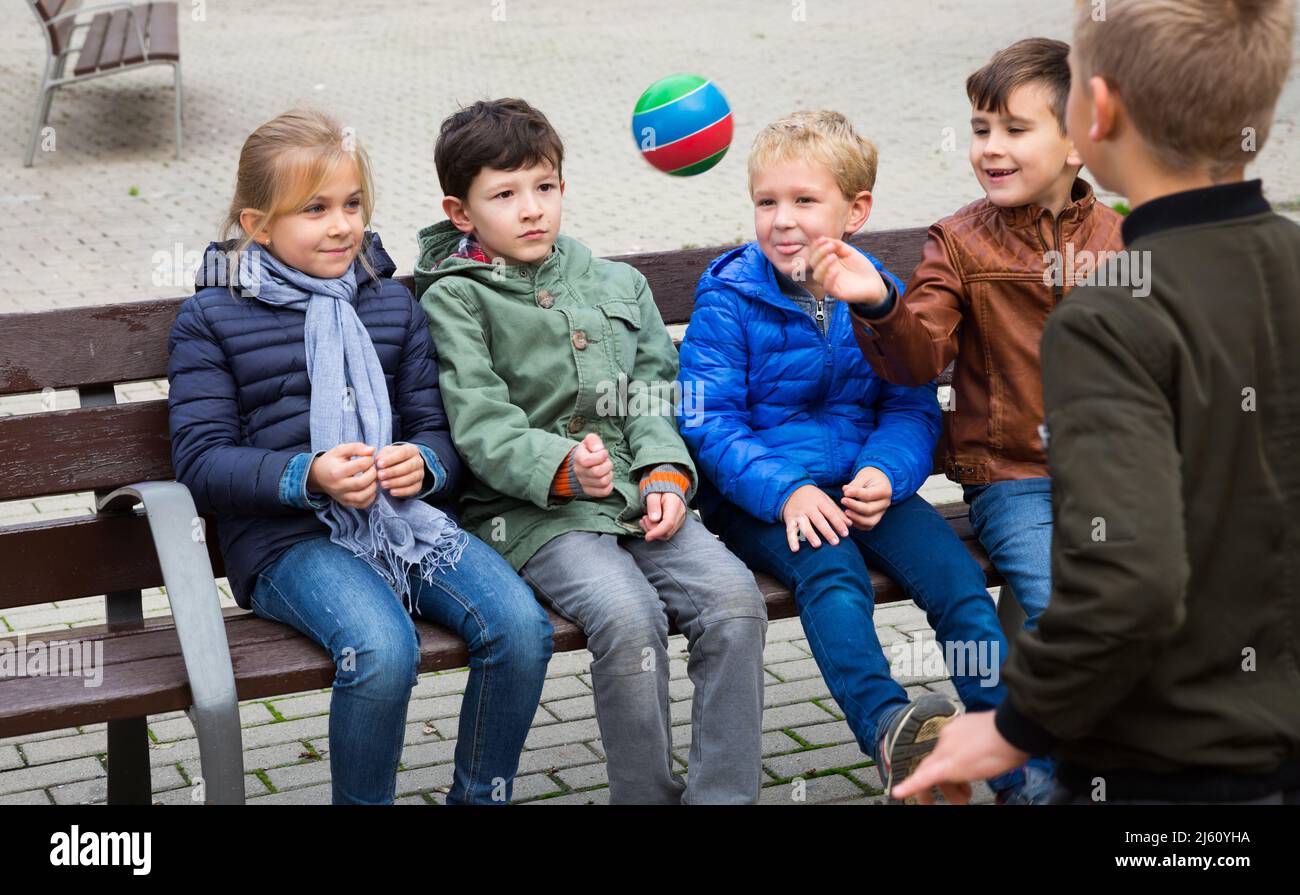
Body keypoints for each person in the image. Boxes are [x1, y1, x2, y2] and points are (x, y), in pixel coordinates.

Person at [893, 0, 1300, 806]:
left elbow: (1128, 585)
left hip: (1165, 769)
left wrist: (1016, 725)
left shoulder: (1111, 311)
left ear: (1096, 112)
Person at [168, 109, 552, 805]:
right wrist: (305, 474)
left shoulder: (389, 305)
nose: (342, 226)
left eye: (352, 205)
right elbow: (200, 460)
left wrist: (422, 464)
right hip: (286, 541)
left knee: (521, 627)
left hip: (404, 524)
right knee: (382, 651)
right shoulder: (212, 316)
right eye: (314, 209)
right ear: (258, 225)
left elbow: (437, 429)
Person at [413, 98, 769, 804]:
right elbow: (481, 421)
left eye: (545, 187)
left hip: (641, 502)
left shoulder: (615, 282)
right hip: (535, 516)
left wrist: (665, 472)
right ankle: (644, 795)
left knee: (735, 602)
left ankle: (723, 796)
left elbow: (653, 393)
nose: (532, 209)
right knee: (628, 615)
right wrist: (560, 465)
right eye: (505, 194)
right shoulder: (456, 298)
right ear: (461, 213)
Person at [677, 109, 1038, 803]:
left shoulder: (871, 294)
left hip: (865, 485)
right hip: (766, 498)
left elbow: (906, 404)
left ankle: (1010, 755)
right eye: (767, 202)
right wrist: (786, 491)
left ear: (856, 210)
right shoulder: (728, 298)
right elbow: (709, 421)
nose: (782, 220)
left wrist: (885, 472)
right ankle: (889, 726)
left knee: (957, 580)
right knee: (833, 575)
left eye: (805, 202)